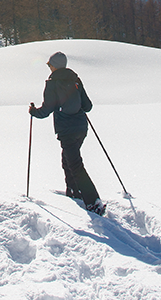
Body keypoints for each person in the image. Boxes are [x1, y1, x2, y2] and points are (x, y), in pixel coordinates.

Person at [30, 51, 104, 215]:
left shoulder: (52, 83)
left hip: (66, 130)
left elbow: (47, 109)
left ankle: (93, 202)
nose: (49, 68)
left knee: (75, 165)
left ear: (54, 66)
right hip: (81, 128)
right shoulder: (76, 80)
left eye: (50, 65)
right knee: (68, 160)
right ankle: (74, 192)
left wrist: (33, 112)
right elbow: (88, 106)